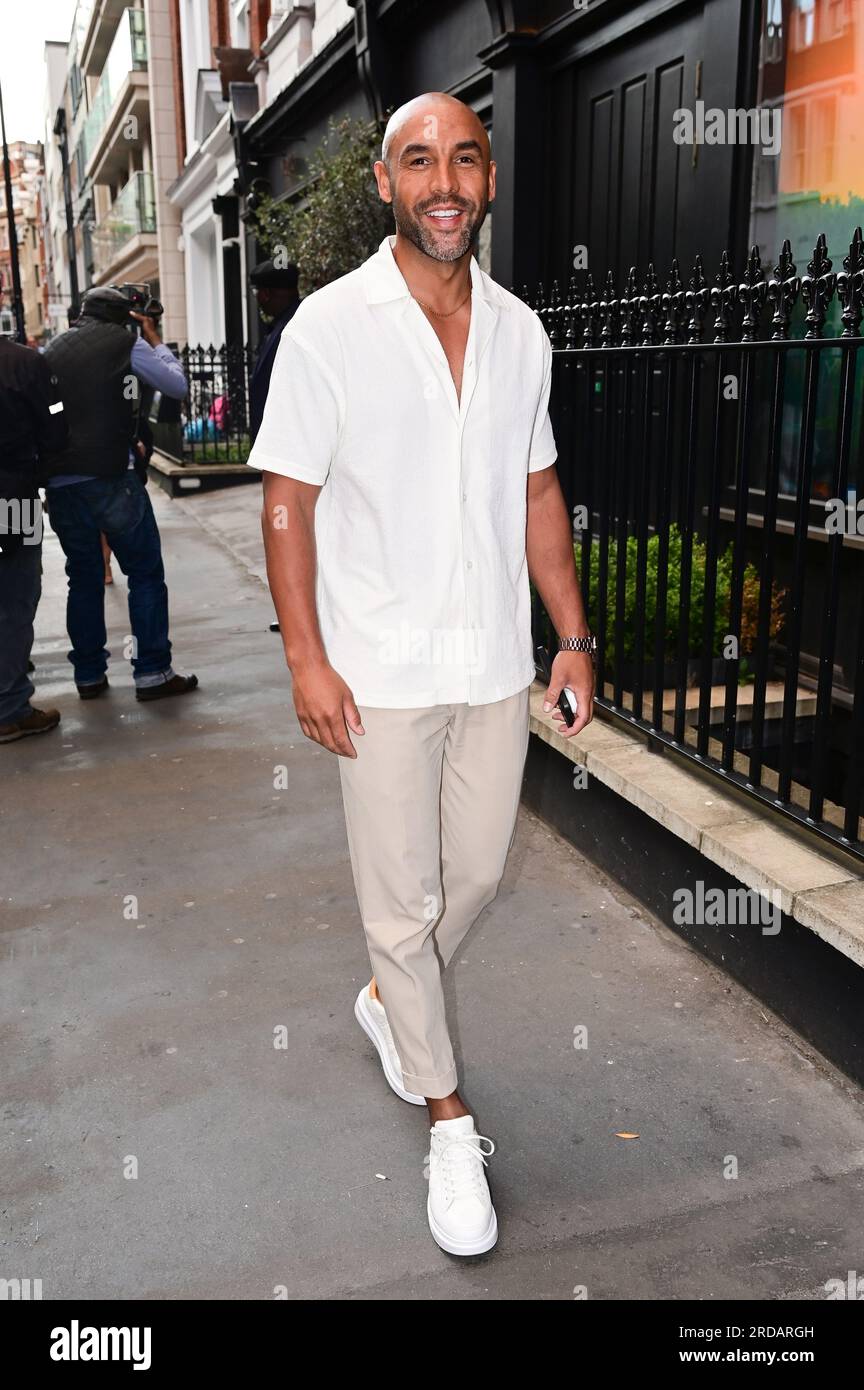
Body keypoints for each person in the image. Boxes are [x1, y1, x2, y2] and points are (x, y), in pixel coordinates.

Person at [248, 92, 596, 1256]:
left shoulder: (520, 333)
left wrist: (572, 634)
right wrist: (306, 655)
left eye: (463, 158)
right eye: (417, 161)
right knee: (403, 904)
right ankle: (451, 1117)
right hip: (381, 671)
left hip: (493, 662)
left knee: (477, 877)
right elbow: (288, 500)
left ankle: (390, 999)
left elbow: (539, 489)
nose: (442, 181)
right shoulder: (331, 329)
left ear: (488, 178)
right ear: (388, 185)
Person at [42, 287, 198, 703]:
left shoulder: (50, 351)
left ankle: (89, 675)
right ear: (124, 316)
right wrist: (155, 338)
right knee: (144, 573)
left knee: (84, 577)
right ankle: (151, 673)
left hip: (61, 483)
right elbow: (176, 385)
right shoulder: (126, 343)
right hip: (112, 476)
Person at [0, 336, 67, 743]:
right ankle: (9, 707)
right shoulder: (24, 363)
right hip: (14, 495)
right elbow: (56, 429)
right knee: (15, 600)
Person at [248, 259, 300, 444]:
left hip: (288, 444)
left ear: (266, 294)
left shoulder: (292, 327)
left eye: (257, 293)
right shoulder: (286, 323)